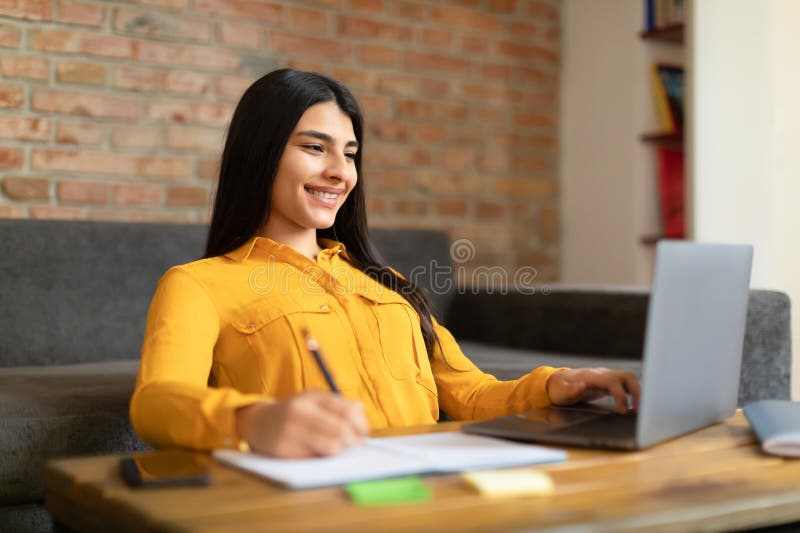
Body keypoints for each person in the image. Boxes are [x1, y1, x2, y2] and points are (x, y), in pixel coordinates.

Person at [130, 69, 640, 459]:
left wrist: (558, 384)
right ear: (260, 154)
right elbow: (156, 401)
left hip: (424, 484)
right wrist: (250, 420)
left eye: (350, 155)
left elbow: (469, 390)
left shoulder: (385, 283)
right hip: (315, 500)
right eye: (315, 148)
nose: (339, 172)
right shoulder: (198, 285)